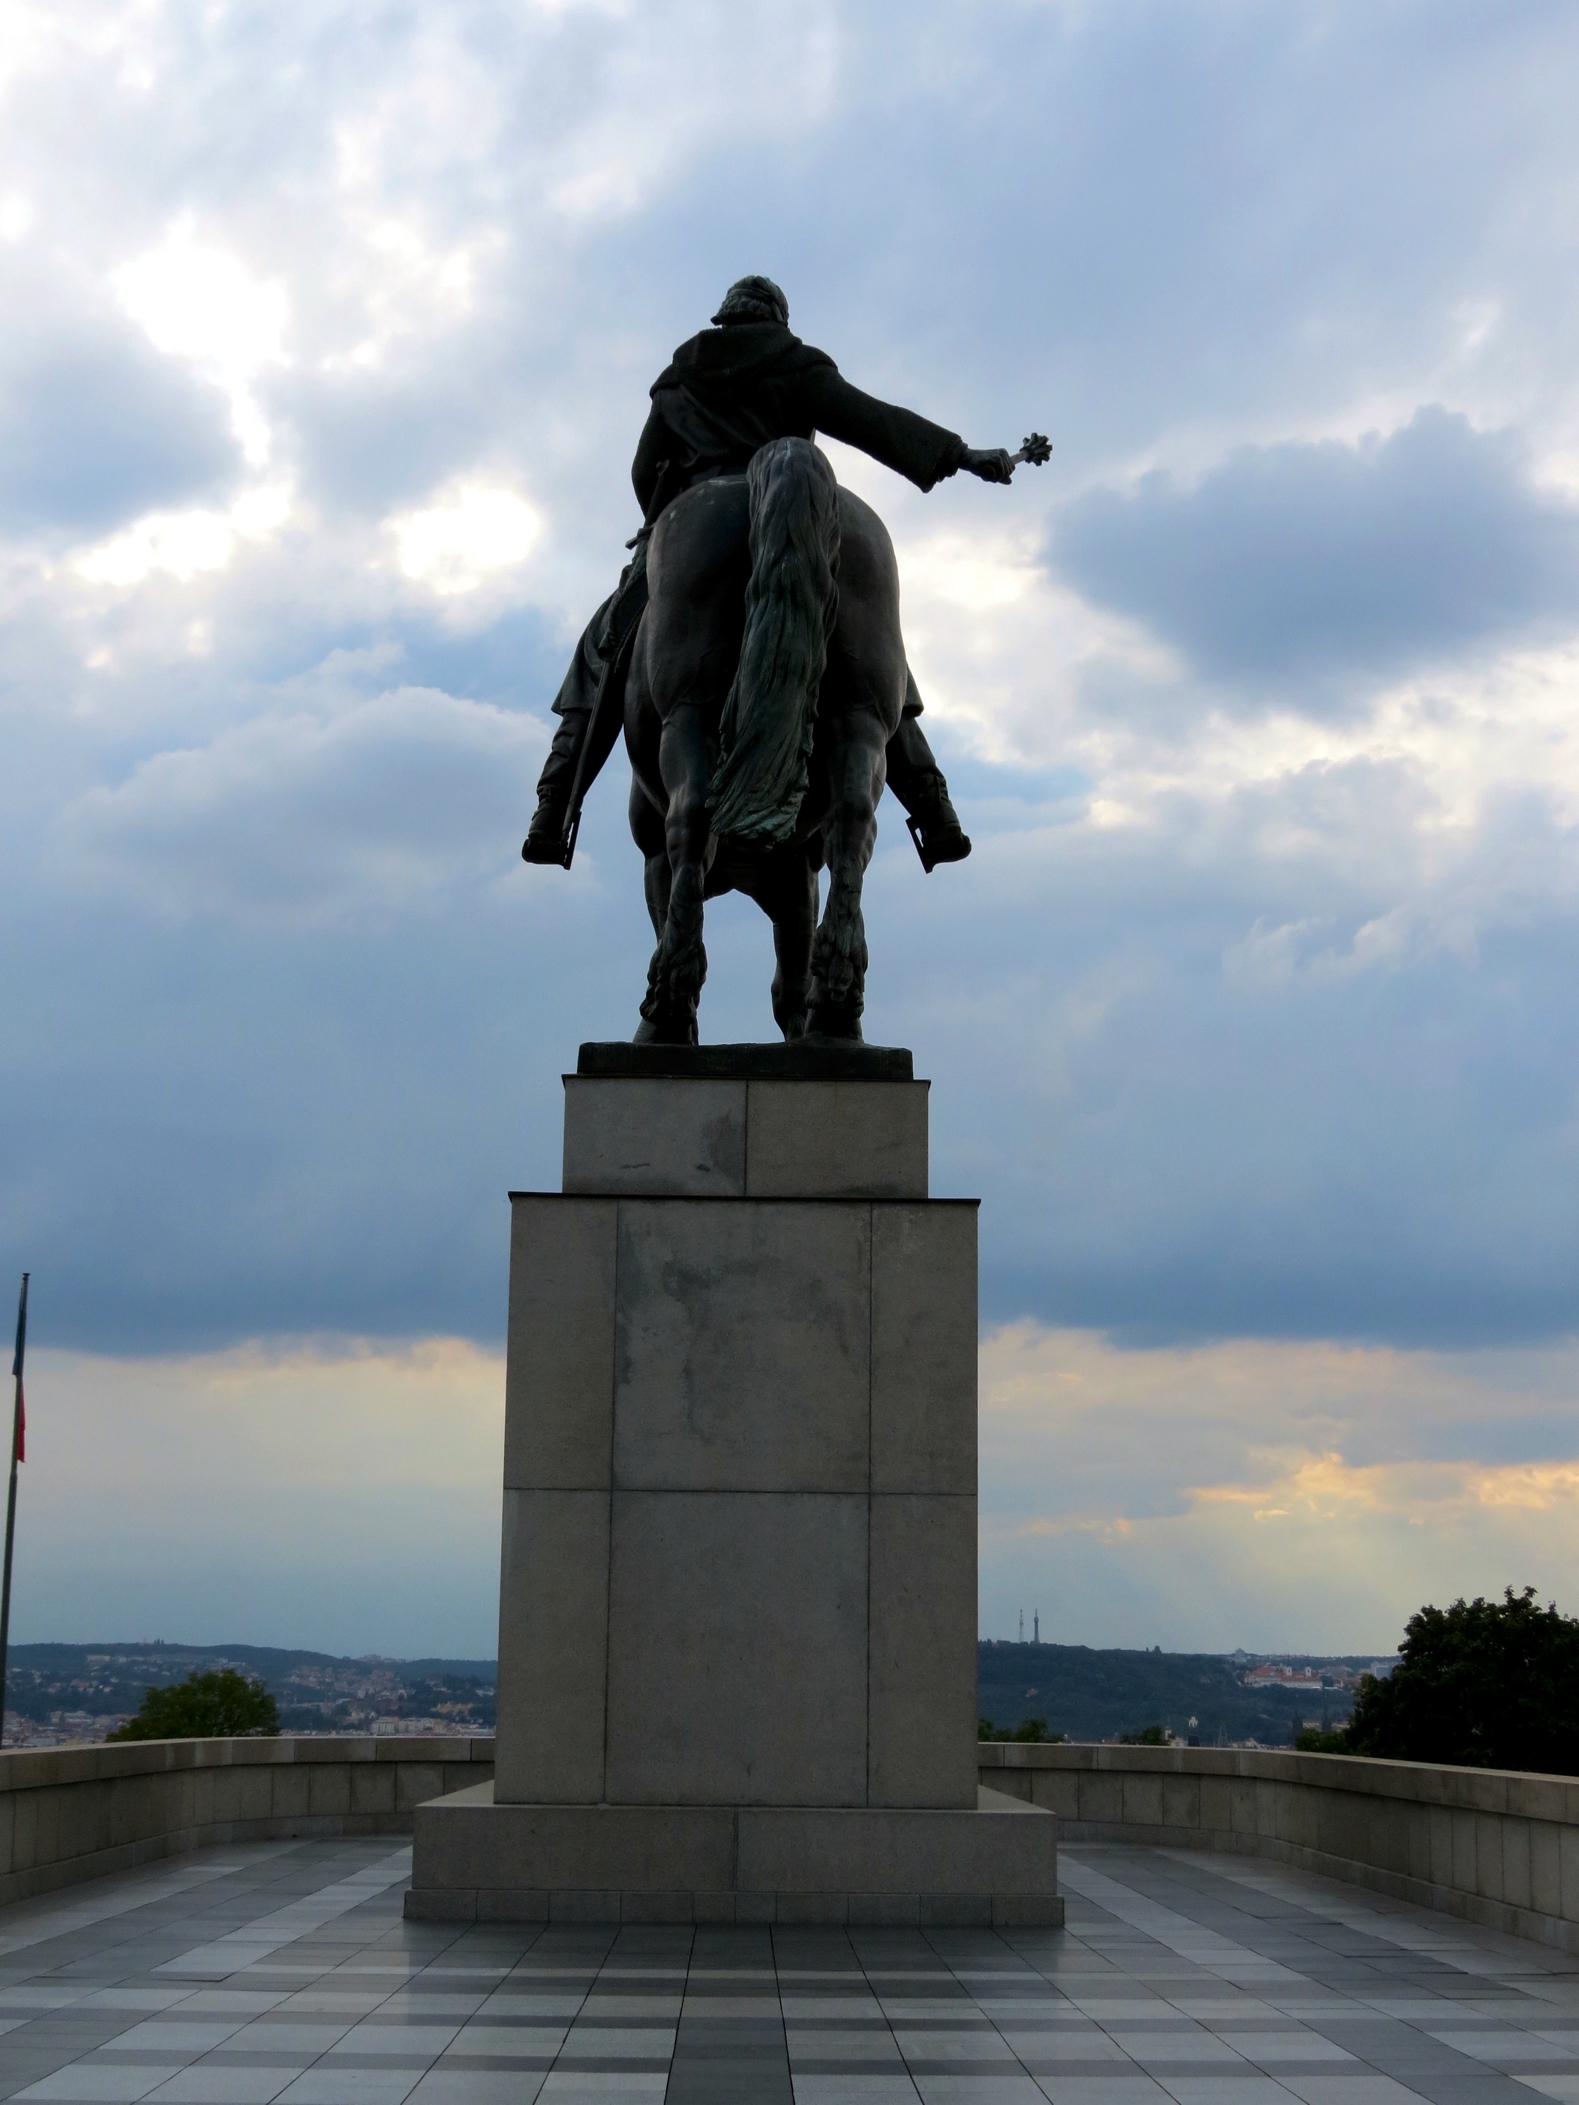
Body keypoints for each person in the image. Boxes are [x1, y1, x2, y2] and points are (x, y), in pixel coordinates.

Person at [523, 274, 1012, 870]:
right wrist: (959, 454)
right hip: (795, 512)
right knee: (875, 657)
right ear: (777, 319)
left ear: (725, 317)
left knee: (603, 649)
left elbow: (642, 468)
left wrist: (668, 518)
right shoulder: (794, 364)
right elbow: (871, 420)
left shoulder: (678, 378)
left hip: (690, 516)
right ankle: (934, 809)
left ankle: (553, 810)